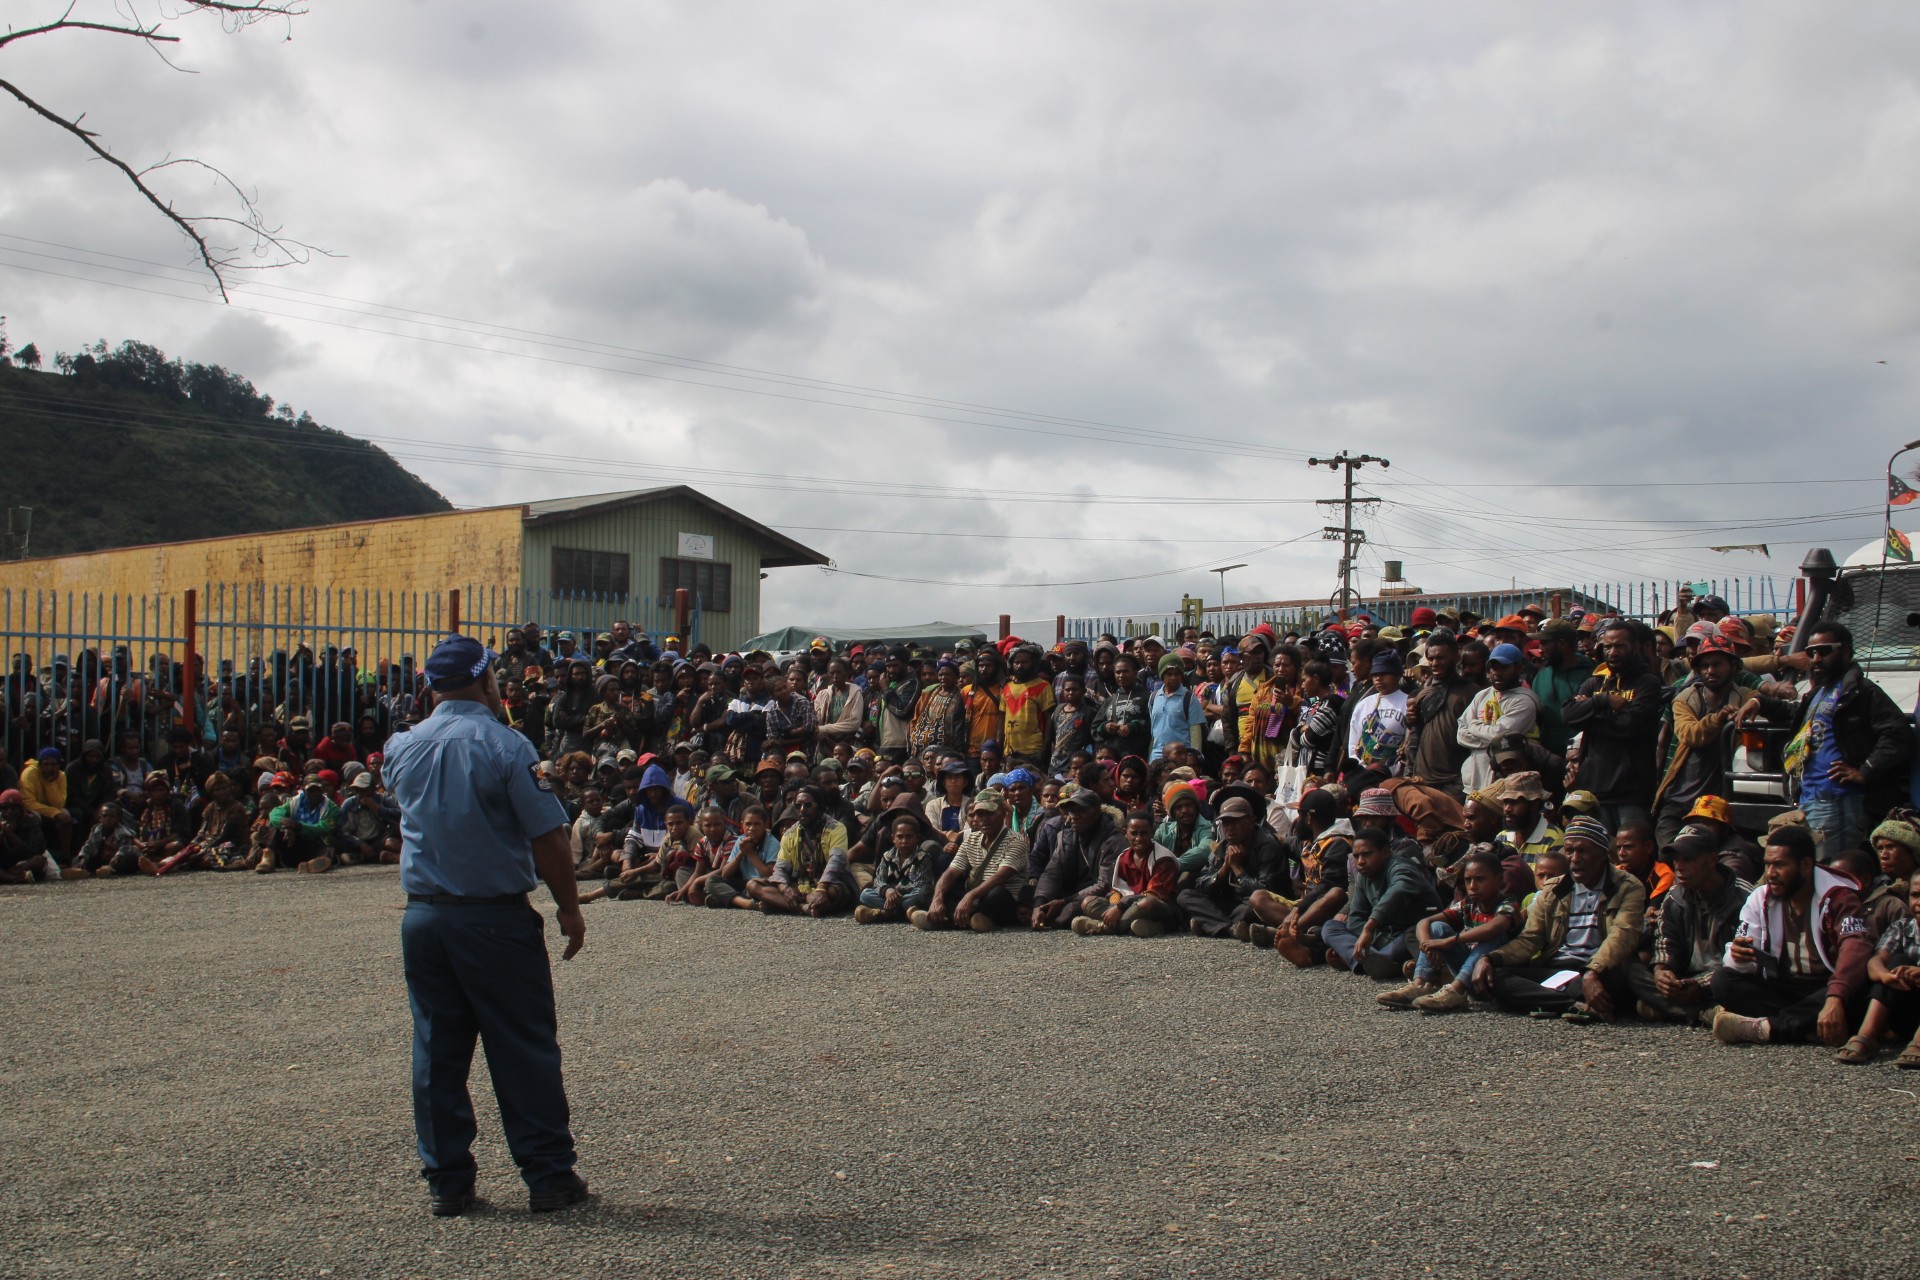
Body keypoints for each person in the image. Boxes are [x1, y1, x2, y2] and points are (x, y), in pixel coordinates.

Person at [382, 634, 589, 1217]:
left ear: (431, 685)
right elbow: (547, 834)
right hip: (494, 918)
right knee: (521, 1047)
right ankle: (547, 1176)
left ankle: (448, 1183)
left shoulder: (403, 745)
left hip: (424, 916)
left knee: (437, 1050)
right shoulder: (507, 745)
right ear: (487, 681)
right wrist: (568, 907)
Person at [1737, 622, 1914, 859]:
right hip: (1809, 798)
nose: (1816, 658)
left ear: (1847, 651)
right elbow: (1795, 714)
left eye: (1825, 650)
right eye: (1811, 652)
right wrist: (1760, 702)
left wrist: (1866, 770)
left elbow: (1897, 732)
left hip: (1839, 801)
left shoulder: (1861, 691)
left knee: (1829, 875)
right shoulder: (1818, 692)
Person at [1710, 825, 1873, 1048]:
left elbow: (1854, 948)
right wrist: (1739, 956)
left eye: (1779, 865)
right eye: (1767, 865)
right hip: (1784, 988)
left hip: (1826, 988)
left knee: (1860, 990)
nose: (1770, 874)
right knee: (1723, 982)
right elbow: (1743, 961)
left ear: (1805, 865)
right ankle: (1808, 1027)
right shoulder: (1761, 898)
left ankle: (1770, 1029)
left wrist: (1835, 997)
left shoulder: (1839, 898)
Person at [1480, 815, 1647, 1021]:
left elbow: (1622, 936)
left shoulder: (1628, 887)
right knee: (1495, 976)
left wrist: (1591, 972)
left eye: (1583, 851)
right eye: (1569, 851)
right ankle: (1573, 1004)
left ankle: (1545, 999)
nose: (1575, 858)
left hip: (1599, 968)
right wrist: (1491, 958)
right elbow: (1530, 939)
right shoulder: (1554, 888)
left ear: (1603, 853)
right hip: (1558, 969)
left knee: (1618, 977)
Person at [1628, 823, 1753, 1025]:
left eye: (1688, 859)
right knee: (1631, 966)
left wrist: (1701, 985)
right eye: (1676, 859)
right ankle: (1702, 1013)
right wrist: (1662, 971)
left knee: (1732, 983)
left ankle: (1675, 1008)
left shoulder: (1744, 897)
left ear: (1712, 860)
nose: (1679, 866)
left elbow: (1742, 960)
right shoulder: (1675, 897)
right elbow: (1665, 942)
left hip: (1723, 979)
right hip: (1685, 978)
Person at [1379, 848, 1520, 1012]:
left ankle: (1456, 990)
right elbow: (1424, 922)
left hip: (1491, 976)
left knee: (1493, 936)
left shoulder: (1508, 905)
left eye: (1480, 879)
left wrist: (1450, 941)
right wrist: (1428, 944)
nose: (1472, 886)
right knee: (1437, 927)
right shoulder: (1468, 904)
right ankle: (1422, 984)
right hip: (1468, 970)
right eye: (1468, 880)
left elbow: (1495, 928)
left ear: (1499, 879)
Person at [1563, 621, 1665, 835]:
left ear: (1635, 647)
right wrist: (1603, 701)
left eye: (1620, 646)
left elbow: (1630, 726)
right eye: (1608, 647)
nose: (1613, 652)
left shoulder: (1647, 683)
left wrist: (1589, 717)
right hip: (1593, 790)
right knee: (1596, 853)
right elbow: (1568, 715)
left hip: (1631, 792)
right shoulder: (1596, 683)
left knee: (1629, 855)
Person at [1321, 825, 1443, 980]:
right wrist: (1371, 936)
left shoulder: (1401, 867)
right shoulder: (1364, 876)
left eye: (1366, 854)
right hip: (1383, 936)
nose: (1360, 862)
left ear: (1385, 851)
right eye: (1356, 856)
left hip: (1408, 933)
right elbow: (1356, 917)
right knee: (1331, 927)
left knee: (1406, 940)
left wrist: (1370, 927)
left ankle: (1364, 960)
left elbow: (1398, 890)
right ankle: (1369, 961)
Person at [913, 789, 1030, 932]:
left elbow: (999, 877)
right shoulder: (971, 839)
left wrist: (969, 896)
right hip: (975, 900)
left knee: (997, 893)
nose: (984, 818)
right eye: (980, 814)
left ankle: (944, 921)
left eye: (990, 813)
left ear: (1003, 813)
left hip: (999, 901)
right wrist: (937, 899)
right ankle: (972, 920)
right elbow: (951, 872)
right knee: (926, 891)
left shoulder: (1015, 842)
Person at [1835, 876, 1920, 1067]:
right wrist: (1888, 976)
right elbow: (1876, 961)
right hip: (1906, 1010)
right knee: (1896, 962)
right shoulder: (1902, 927)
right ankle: (1867, 1036)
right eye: (1915, 896)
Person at [1069, 810, 1180, 937]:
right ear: (1125, 833)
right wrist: (1115, 905)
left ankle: (1102, 927)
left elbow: (1154, 895)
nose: (1139, 838)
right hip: (1129, 906)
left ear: (1152, 832)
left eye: (1144, 833)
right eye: (1134, 833)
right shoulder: (1124, 857)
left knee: (1147, 903)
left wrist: (1119, 908)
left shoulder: (1163, 859)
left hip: (1159, 907)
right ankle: (1141, 926)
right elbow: (1117, 890)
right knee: (1087, 901)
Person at [1030, 789, 1125, 931]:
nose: (1074, 816)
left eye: (1081, 811)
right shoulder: (1066, 837)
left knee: (1068, 912)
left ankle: (1100, 924)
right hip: (1071, 892)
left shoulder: (1113, 840)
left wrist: (1063, 902)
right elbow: (1051, 873)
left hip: (1100, 896)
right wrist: (1039, 904)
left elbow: (1104, 884)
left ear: (1097, 813)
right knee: (1028, 899)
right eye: (1072, 811)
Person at [1455, 644, 1538, 795]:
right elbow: (1460, 733)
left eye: (1504, 667)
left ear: (1518, 668)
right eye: (1494, 667)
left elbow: (1501, 736)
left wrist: (1473, 726)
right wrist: (1489, 740)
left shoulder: (1524, 701)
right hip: (1474, 781)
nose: (1497, 673)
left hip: (1506, 784)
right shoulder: (1482, 695)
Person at [1403, 632, 1477, 798]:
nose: (1435, 663)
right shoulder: (1423, 695)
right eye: (1431, 658)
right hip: (1423, 780)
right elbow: (1414, 738)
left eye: (1441, 658)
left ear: (1456, 657)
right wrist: (1409, 774)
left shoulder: (1470, 692)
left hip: (1457, 781)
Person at [855, 806, 944, 924]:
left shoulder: (922, 857)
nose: (904, 841)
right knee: (865, 895)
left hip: (908, 896)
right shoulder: (887, 856)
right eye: (900, 837)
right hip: (891, 897)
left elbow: (921, 884)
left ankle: (883, 913)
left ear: (917, 838)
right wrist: (887, 891)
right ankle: (905, 913)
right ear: (893, 838)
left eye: (909, 837)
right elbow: (879, 880)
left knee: (922, 894)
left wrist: (895, 895)